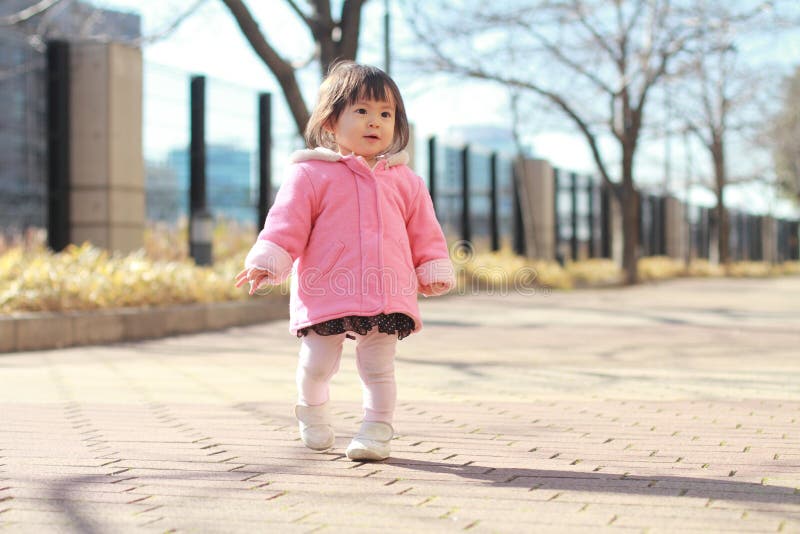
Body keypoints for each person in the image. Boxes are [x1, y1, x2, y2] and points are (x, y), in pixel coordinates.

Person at [235, 61, 455, 461]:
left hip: (387, 290)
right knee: (318, 364)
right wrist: (269, 259)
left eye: (385, 114)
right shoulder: (311, 174)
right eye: (362, 111)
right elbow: (286, 224)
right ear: (331, 122)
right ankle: (312, 410)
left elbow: (425, 230)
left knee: (379, 368)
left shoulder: (406, 181)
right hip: (327, 290)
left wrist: (432, 266)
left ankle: (377, 430)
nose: (375, 122)